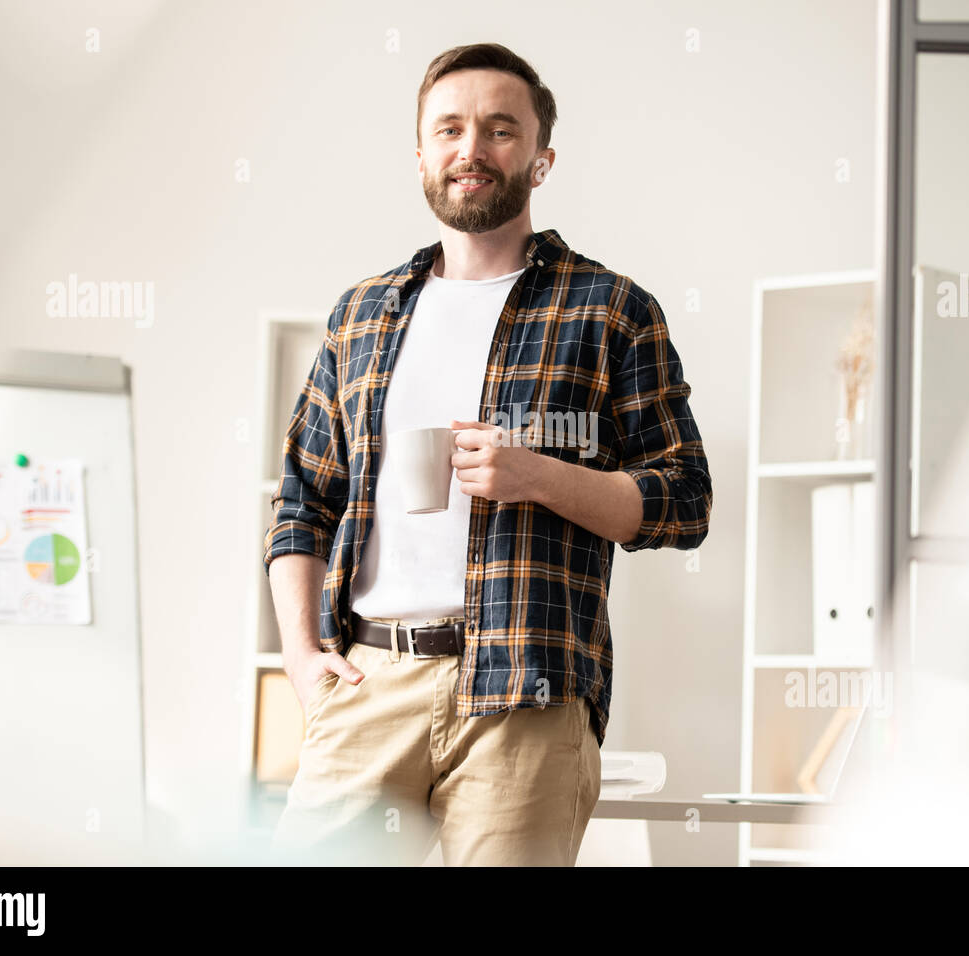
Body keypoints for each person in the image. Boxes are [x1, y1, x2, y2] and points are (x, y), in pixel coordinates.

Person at [262, 42, 711, 866]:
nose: (472, 148)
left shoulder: (610, 309)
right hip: (369, 682)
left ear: (541, 159)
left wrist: (538, 474)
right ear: (422, 155)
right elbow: (302, 504)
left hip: (527, 692)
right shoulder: (360, 316)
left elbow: (685, 500)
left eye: (500, 130)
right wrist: (300, 655)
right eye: (451, 129)